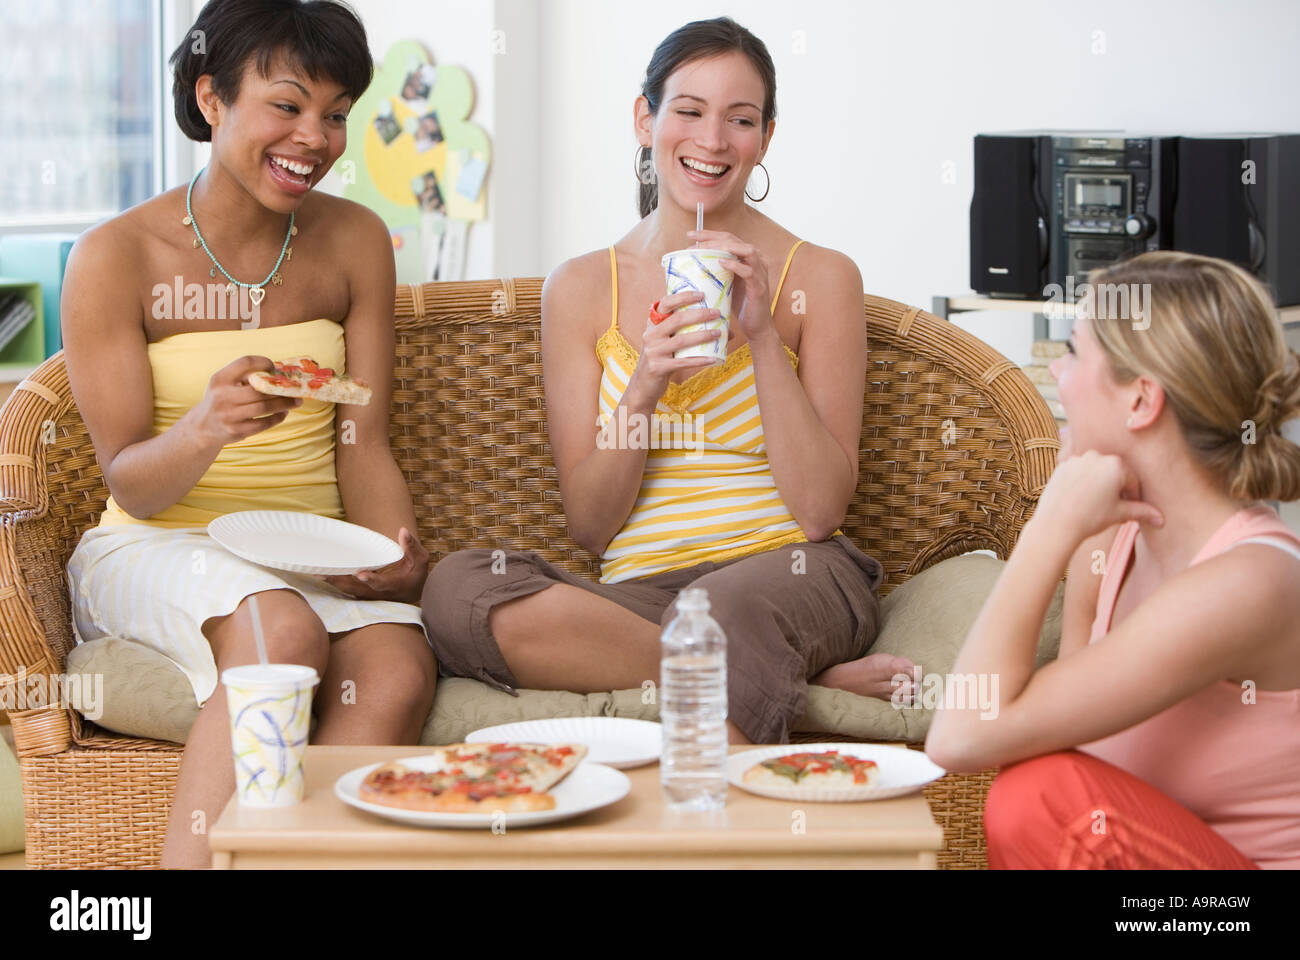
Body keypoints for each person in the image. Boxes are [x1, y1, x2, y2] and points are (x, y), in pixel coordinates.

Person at [421, 17, 915, 746]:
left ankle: (741, 693)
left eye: (740, 120)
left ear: (766, 138)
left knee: (718, 610)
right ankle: (789, 689)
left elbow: (818, 511)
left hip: (793, 575)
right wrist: (644, 385)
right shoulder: (583, 287)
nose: (712, 141)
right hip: (639, 596)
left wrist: (760, 334)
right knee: (457, 592)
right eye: (688, 111)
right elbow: (591, 527)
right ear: (645, 118)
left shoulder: (821, 277)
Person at [61, 0, 436, 869]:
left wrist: (394, 553)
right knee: (281, 634)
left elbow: (363, 443)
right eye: (288, 104)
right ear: (211, 98)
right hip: (158, 543)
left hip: (305, 556)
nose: (315, 136)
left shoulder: (356, 241)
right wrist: (203, 428)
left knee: (396, 667)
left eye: (336, 114)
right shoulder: (116, 256)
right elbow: (129, 482)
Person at [925, 251, 1300, 869]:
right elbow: (1026, 729)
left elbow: (961, 735)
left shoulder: (1247, 580)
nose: (1058, 378)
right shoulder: (1113, 539)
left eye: (1071, 352)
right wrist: (1068, 531)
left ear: (1141, 402)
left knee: (1039, 795)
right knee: (1039, 766)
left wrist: (1049, 526)